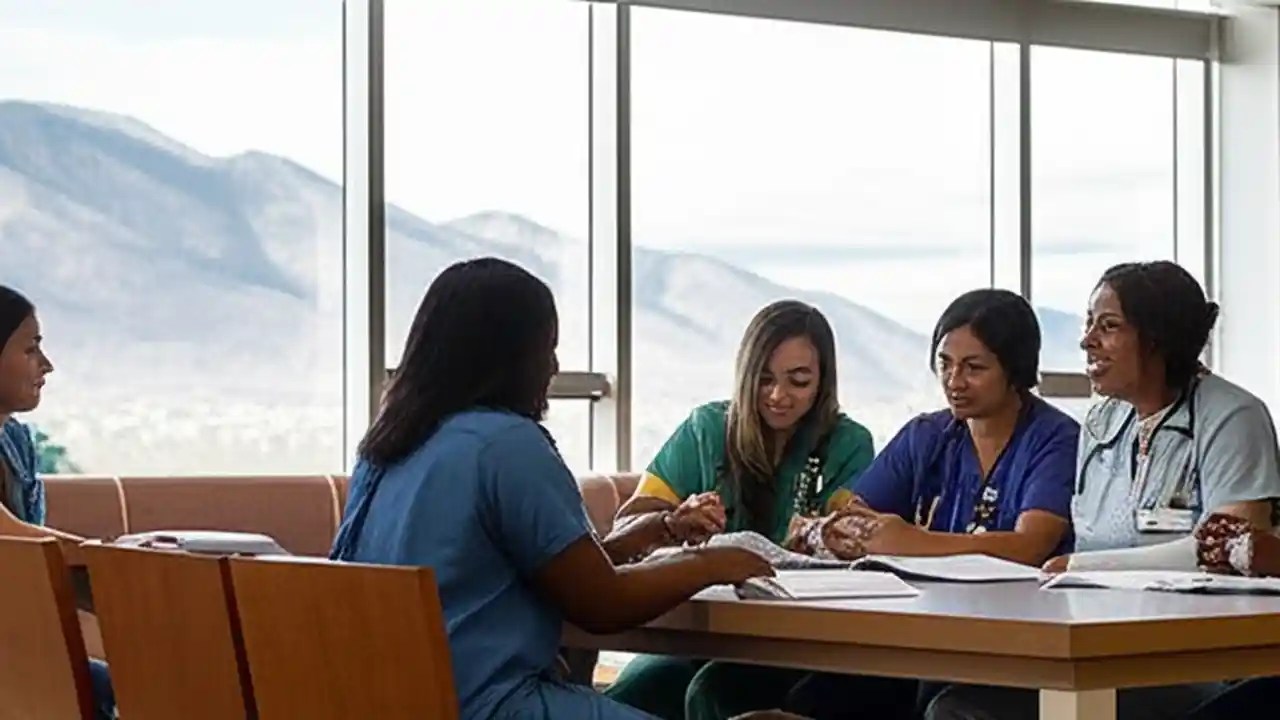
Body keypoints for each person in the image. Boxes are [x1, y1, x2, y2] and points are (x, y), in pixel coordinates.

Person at [328, 258, 774, 720]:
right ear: (506, 356)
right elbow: (601, 604)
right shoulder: (506, 444)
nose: (554, 366)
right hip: (490, 705)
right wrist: (712, 562)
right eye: (548, 347)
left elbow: (543, 570)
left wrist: (652, 532)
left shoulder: (385, 449)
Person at [926, 261, 1280, 720]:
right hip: (1093, 645)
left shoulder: (1233, 417)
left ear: (1158, 338)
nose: (1087, 340)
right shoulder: (1102, 421)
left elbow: (1226, 548)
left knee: (964, 710)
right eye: (1088, 324)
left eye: (1108, 326)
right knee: (950, 700)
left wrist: (1083, 565)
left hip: (1187, 662)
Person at [780, 288, 1079, 720]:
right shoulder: (927, 435)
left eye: (974, 368)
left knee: (942, 705)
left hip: (1019, 644)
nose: (954, 381)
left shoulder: (1054, 439)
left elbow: (1030, 546)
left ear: (1015, 370)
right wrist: (847, 533)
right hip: (922, 633)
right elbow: (851, 519)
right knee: (813, 697)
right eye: (945, 363)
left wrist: (910, 541)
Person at [603, 299, 876, 720]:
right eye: (763, 379)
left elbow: (858, 532)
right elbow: (627, 527)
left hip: (798, 639)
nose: (778, 396)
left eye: (799, 381)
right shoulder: (706, 429)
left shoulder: (848, 442)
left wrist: (828, 534)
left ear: (823, 382)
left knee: (713, 694)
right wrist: (674, 523)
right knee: (632, 696)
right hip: (698, 631)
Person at [0, 285, 116, 720]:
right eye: (30, 349)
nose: (46, 366)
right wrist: (116, 560)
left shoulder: (16, 442)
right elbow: (15, 540)